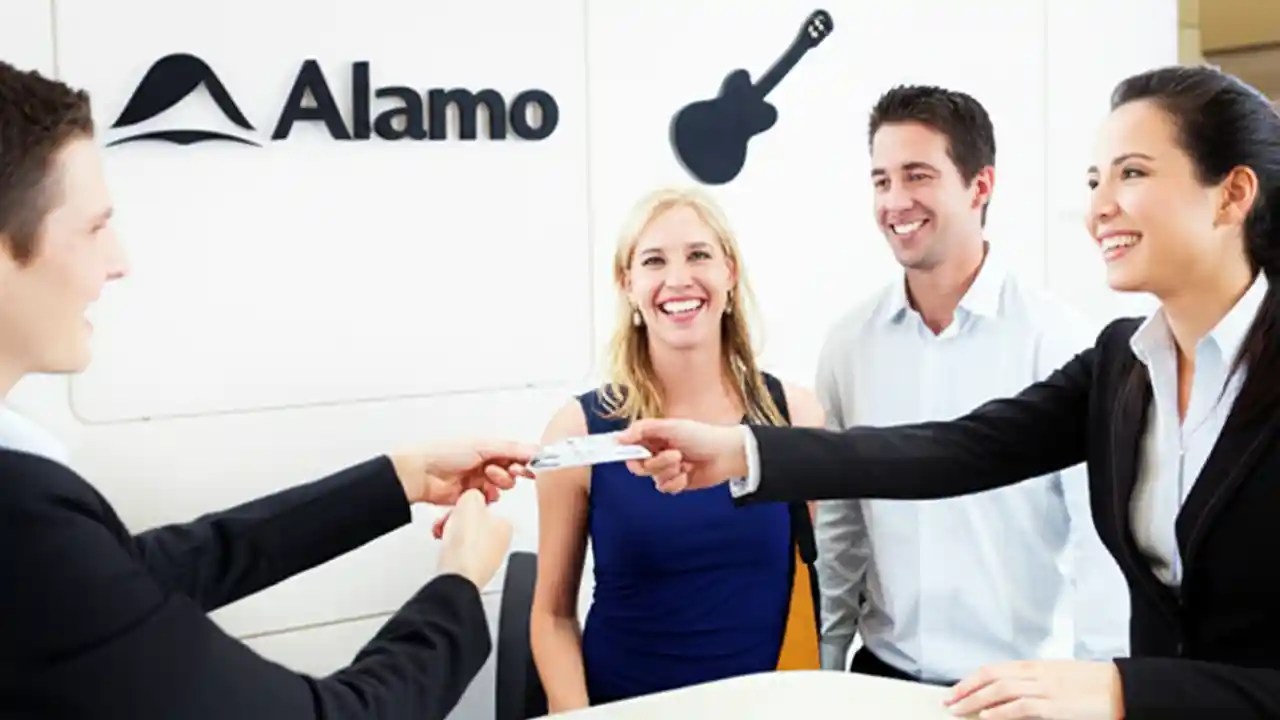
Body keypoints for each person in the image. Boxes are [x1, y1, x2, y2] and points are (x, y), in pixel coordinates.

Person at [620, 64, 1280, 719]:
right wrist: (743, 451)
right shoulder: (1123, 362)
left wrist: (1119, 687)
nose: (1098, 206)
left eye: (1131, 173)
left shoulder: (1064, 333)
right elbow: (953, 451)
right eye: (1094, 179)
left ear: (1230, 194)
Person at [0, 61, 535, 719]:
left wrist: (399, 479)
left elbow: (143, 571)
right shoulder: (19, 518)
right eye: (93, 226)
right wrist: (458, 585)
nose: (120, 261)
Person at [813, 84, 1129, 684]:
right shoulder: (849, 344)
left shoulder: (1058, 339)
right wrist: (828, 668)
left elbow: (1100, 540)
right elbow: (841, 526)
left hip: (1020, 687)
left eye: (917, 175)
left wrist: (1097, 682)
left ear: (980, 186)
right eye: (881, 180)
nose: (895, 201)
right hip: (883, 679)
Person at [528, 187, 827, 712]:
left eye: (698, 255)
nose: (678, 278)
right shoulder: (580, 430)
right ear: (628, 285)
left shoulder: (795, 416)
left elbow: (809, 581)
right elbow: (552, 616)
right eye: (653, 261)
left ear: (730, 274)